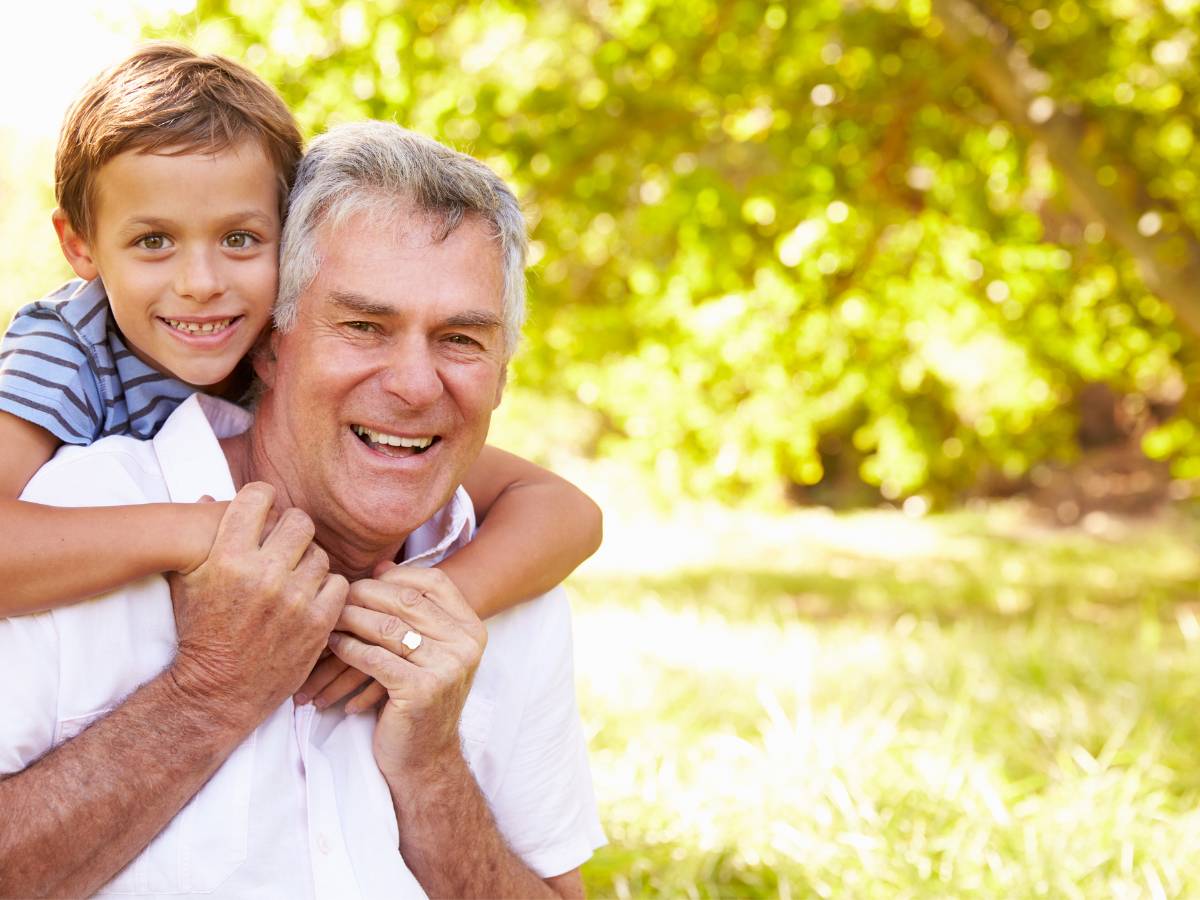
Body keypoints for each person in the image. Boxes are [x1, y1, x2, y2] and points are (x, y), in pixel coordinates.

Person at [0, 121, 604, 897]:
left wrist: (431, 773)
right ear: (269, 343)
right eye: (363, 326)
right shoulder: (79, 521)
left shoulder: (507, 581)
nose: (417, 386)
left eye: (461, 339)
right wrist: (206, 695)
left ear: (503, 373)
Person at [0, 45, 601, 716]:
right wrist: (197, 531)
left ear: (286, 242)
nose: (201, 284)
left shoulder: (263, 333)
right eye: (153, 242)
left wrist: (428, 609)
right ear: (80, 244)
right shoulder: (67, 351)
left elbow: (568, 512)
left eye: (238, 239)